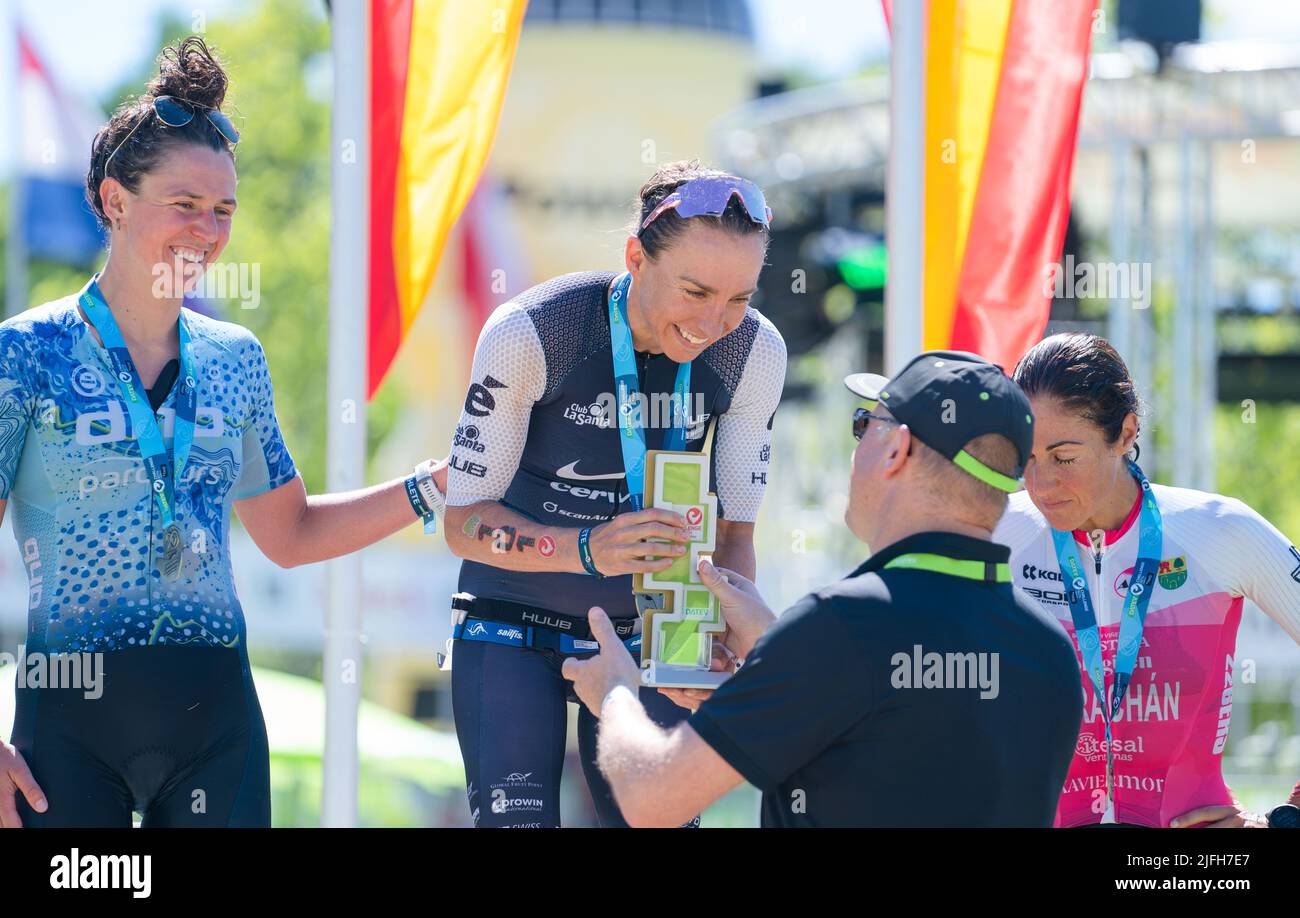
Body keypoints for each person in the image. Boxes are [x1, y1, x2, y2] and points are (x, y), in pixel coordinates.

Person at [0, 37, 447, 828]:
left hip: (219, 732)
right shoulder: (25, 352)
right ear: (114, 201)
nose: (207, 231)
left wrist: (429, 488)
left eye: (224, 210)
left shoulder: (234, 358)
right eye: (184, 205)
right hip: (67, 729)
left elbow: (291, 532)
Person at [563, 351, 1084, 827]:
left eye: (865, 425)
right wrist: (776, 662)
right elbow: (895, 742)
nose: (857, 446)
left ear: (897, 450)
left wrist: (614, 692)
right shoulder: (1051, 650)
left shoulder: (843, 628)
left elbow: (652, 798)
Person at [440, 160, 787, 827]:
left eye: (739, 297)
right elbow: (462, 525)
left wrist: (715, 633)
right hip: (511, 623)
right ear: (635, 256)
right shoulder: (535, 332)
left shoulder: (753, 351)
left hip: (650, 639)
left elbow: (735, 537)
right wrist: (587, 549)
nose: (716, 320)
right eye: (695, 290)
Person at [997, 332, 1300, 829]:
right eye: (1025, 458)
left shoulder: (1218, 528)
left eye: (1064, 457)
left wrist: (1287, 820)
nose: (1040, 484)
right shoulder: (997, 533)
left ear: (1125, 433)